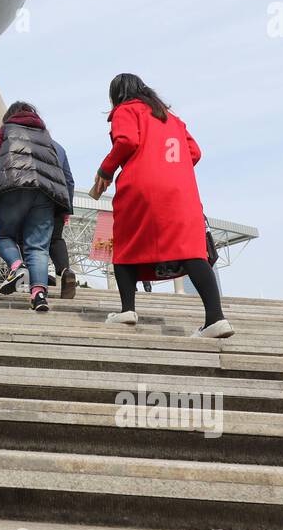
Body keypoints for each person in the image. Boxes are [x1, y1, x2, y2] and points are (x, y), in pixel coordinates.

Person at [90, 73, 234, 339]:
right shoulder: (172, 119)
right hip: (181, 190)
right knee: (191, 250)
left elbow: (126, 141)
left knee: (126, 242)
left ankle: (127, 310)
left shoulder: (126, 110)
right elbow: (195, 153)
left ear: (117, 96)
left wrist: (105, 170)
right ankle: (216, 318)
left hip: (142, 187)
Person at [0, 101, 70, 313]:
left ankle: (16, 266)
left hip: (14, 187)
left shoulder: (7, 129)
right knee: (38, 246)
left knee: (3, 236)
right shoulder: (46, 137)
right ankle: (38, 294)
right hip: (45, 194)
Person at [50, 139, 78, 299]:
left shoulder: (28, 140)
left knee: (29, 241)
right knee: (55, 239)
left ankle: (35, 285)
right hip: (59, 200)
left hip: (35, 199)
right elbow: (69, 181)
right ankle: (66, 271)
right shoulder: (59, 147)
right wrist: (67, 207)